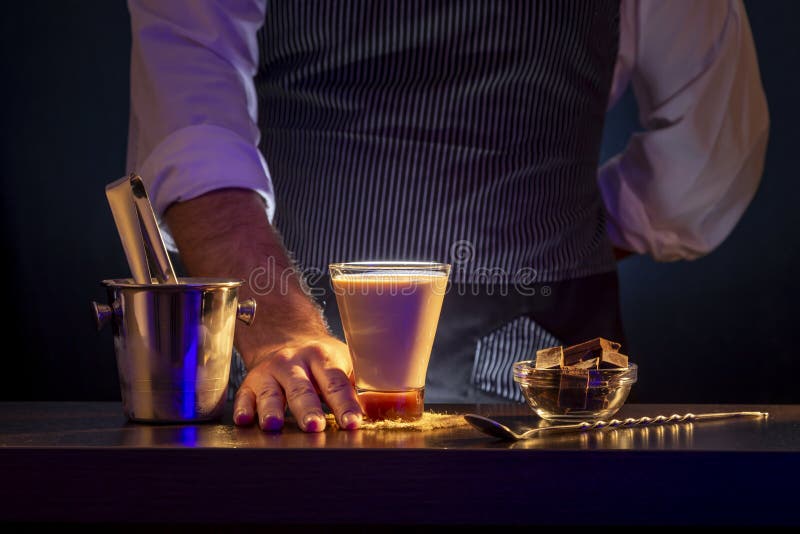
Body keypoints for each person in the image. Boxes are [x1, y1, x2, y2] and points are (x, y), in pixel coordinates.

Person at [126, 0, 769, 432]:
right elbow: (705, 169)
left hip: (545, 391)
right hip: (286, 388)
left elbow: (190, 127)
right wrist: (281, 331)